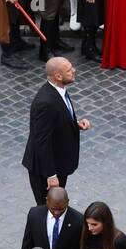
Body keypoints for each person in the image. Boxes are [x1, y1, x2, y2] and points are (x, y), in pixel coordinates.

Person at [20, 57, 89, 205]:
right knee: (48, 209)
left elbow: (57, 119)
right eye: (69, 70)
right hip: (45, 170)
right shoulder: (45, 102)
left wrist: (75, 124)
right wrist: (51, 175)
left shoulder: (59, 90)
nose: (74, 71)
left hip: (58, 163)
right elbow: (41, 141)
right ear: (58, 76)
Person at [17, 186, 83, 249]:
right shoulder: (34, 215)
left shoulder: (78, 220)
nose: (57, 213)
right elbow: (27, 246)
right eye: (53, 209)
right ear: (47, 201)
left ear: (67, 202)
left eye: (61, 209)